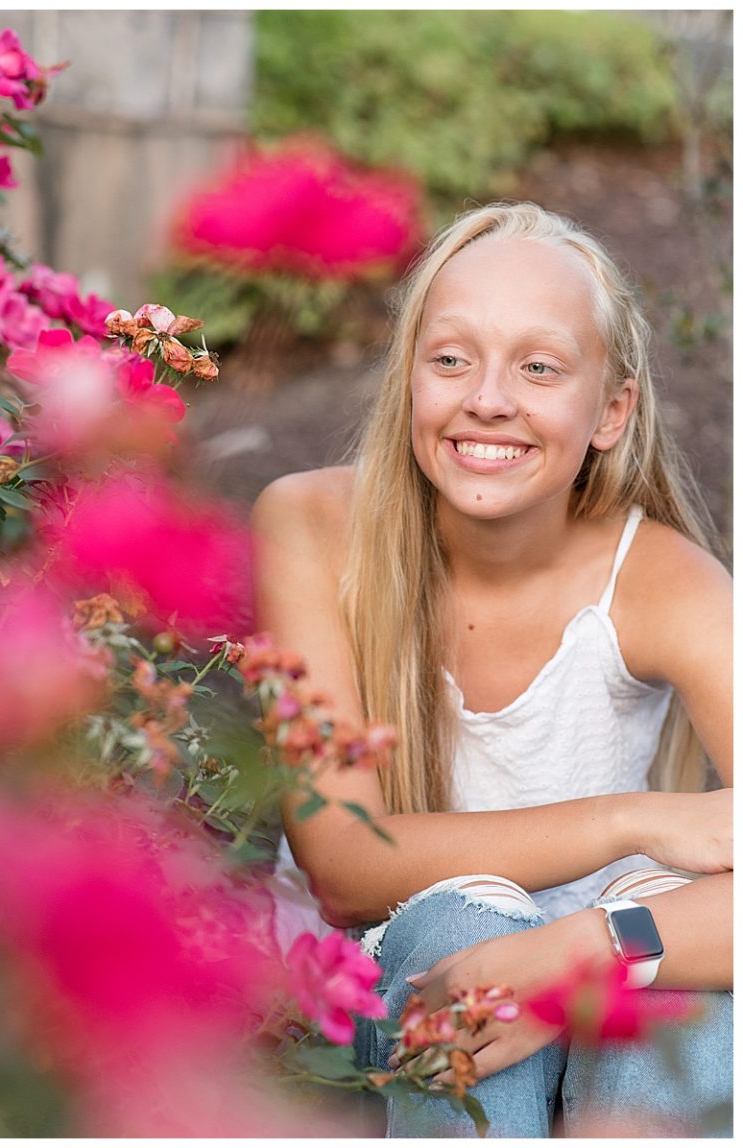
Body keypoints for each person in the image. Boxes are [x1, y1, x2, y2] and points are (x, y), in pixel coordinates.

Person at [253, 202, 731, 1137]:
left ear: (611, 410)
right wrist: (639, 821)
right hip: (382, 976)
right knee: (466, 933)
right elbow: (347, 867)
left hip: (592, 970)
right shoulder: (313, 527)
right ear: (411, 381)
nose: (489, 398)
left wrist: (589, 946)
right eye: (452, 359)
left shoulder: (658, 579)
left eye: (540, 367)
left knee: (685, 993)